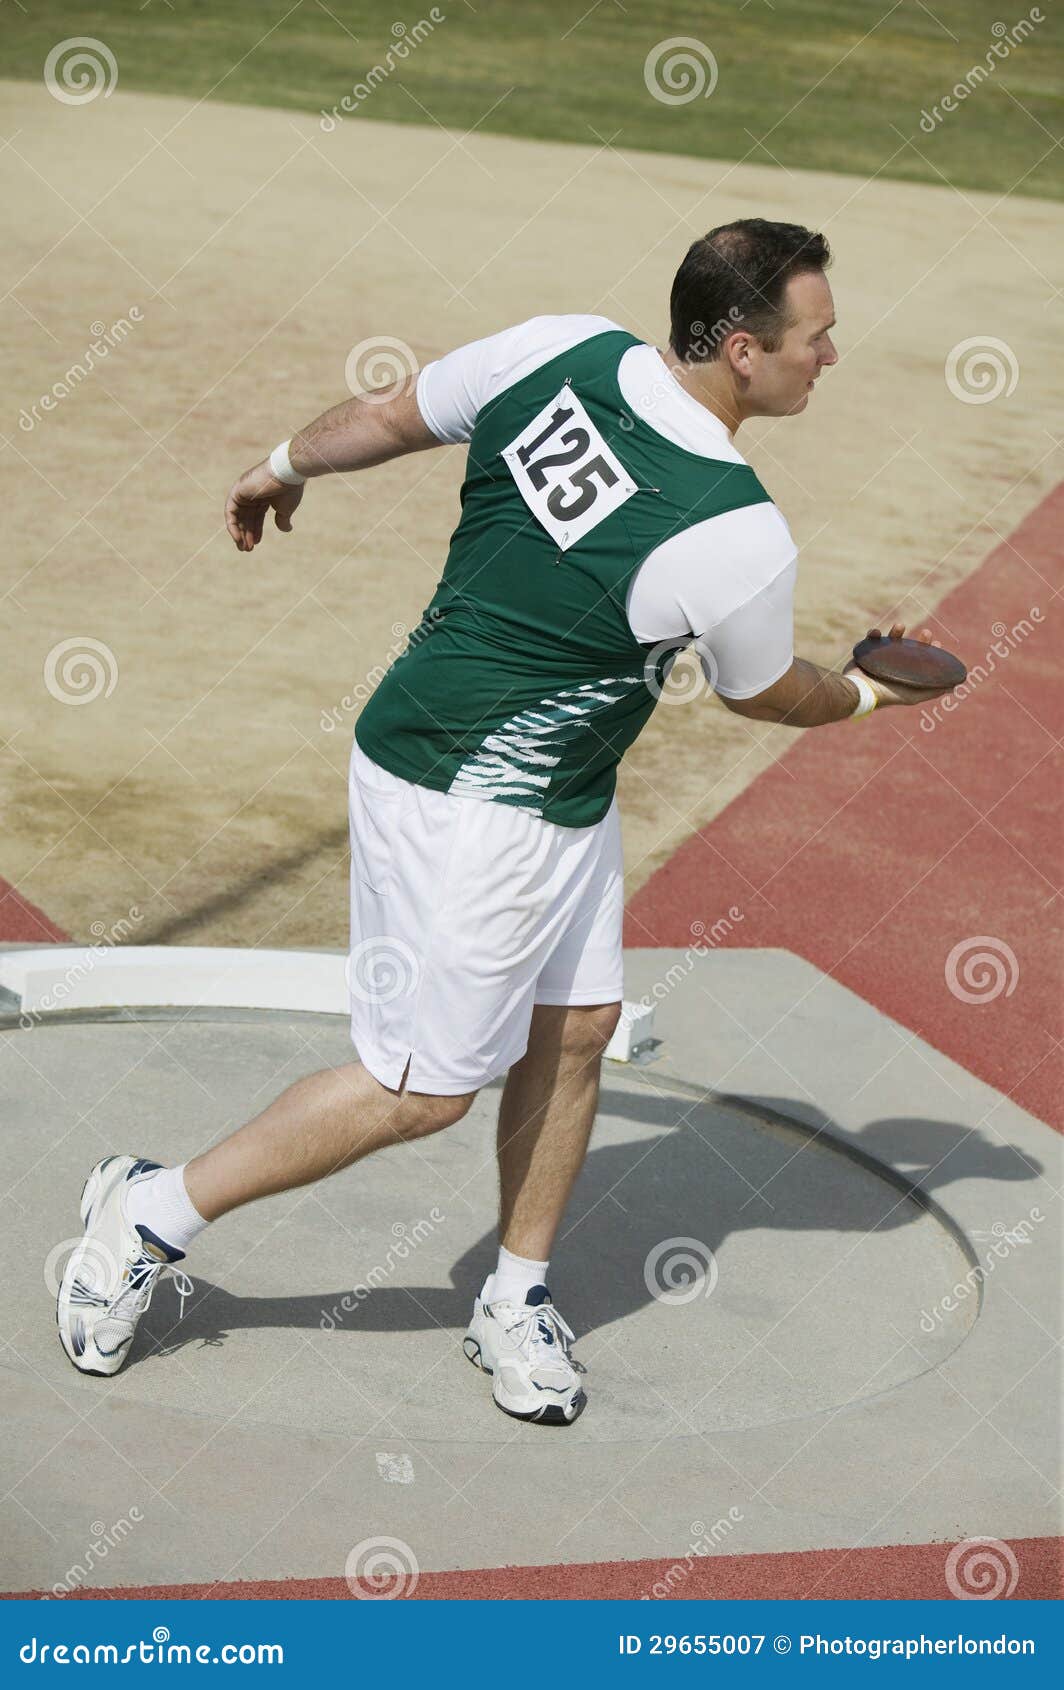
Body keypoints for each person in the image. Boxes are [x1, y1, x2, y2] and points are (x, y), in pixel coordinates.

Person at [56, 219, 953, 1424]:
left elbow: (383, 415)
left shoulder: (558, 346)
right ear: (741, 349)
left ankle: (512, 1295)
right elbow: (761, 691)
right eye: (817, 336)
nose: (829, 357)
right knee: (416, 1090)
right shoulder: (733, 531)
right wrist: (862, 695)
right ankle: (148, 1211)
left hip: (547, 791)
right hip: (465, 804)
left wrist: (282, 460)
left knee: (576, 1029)